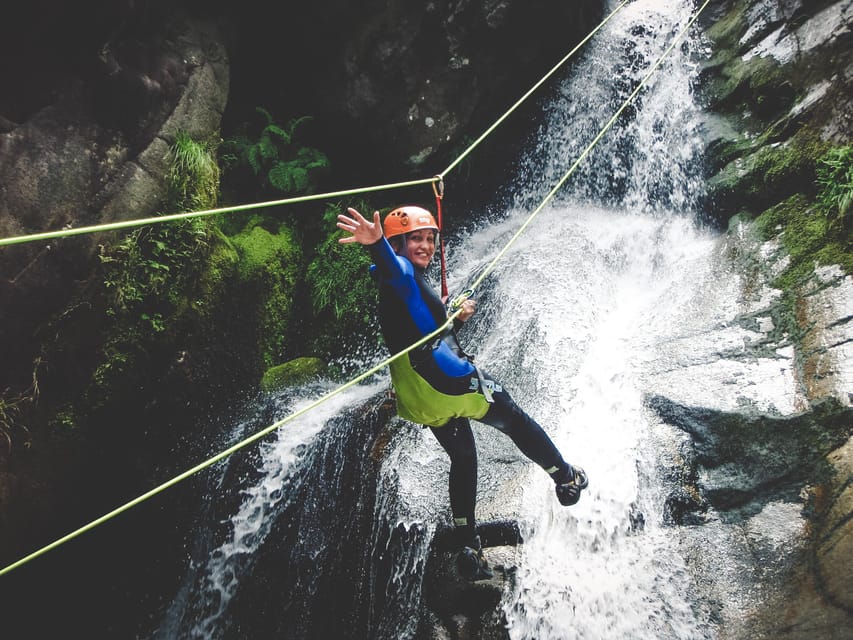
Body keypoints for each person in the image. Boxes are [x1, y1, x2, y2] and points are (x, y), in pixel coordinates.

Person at [337, 205, 588, 580]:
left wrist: (454, 317)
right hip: (447, 380)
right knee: (515, 420)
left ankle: (469, 545)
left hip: (417, 397)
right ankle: (566, 478)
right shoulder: (401, 272)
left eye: (428, 238)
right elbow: (397, 270)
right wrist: (376, 245)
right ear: (396, 244)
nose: (424, 245)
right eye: (414, 239)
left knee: (464, 456)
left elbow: (421, 324)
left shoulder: (399, 286)